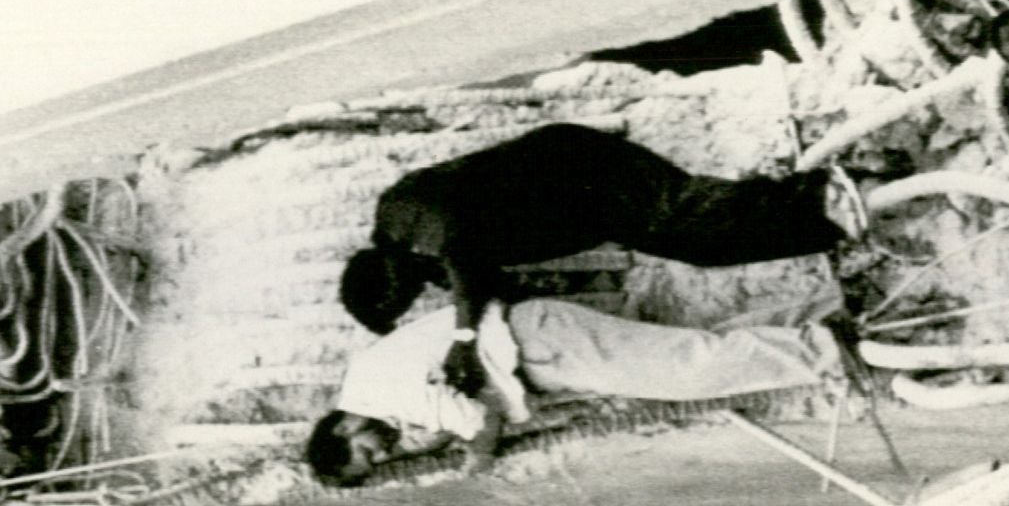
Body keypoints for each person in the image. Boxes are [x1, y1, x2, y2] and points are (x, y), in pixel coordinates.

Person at [341, 123, 869, 394]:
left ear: (385, 282)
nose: (411, 300)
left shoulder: (408, 218)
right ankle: (828, 224)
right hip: (592, 205)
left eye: (398, 302)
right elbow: (484, 282)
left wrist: (463, 340)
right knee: (702, 249)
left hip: (579, 168)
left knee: (685, 215)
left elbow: (464, 263)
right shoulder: (424, 256)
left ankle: (829, 189)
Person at [307, 296, 836, 486]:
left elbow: (480, 425)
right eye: (375, 465)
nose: (385, 454)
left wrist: (478, 460)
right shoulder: (375, 391)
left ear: (345, 428)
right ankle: (823, 319)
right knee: (684, 358)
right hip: (541, 355)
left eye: (367, 455)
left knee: (685, 368)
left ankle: (826, 349)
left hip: (538, 344)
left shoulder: (380, 391)